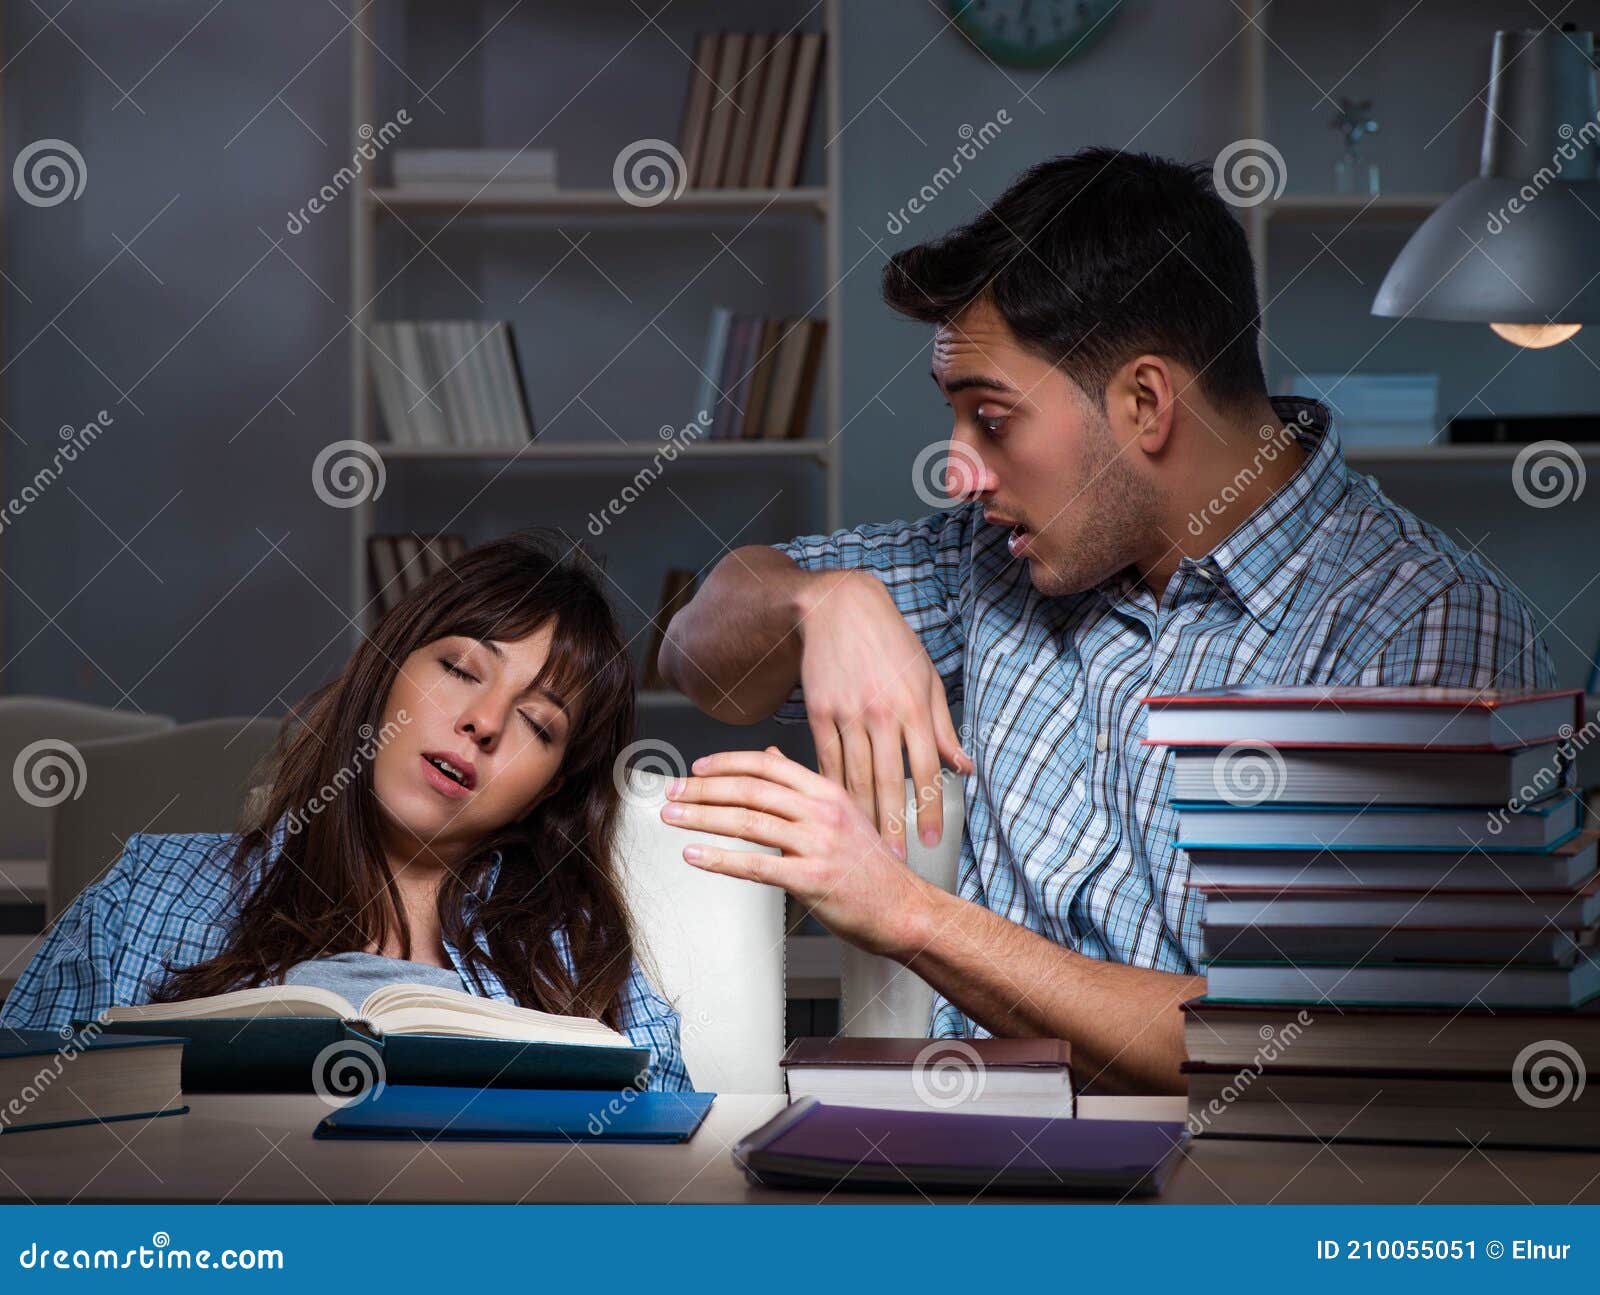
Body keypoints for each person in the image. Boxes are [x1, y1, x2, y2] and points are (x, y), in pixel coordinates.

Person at [655, 147, 1555, 1094]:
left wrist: (909, 912)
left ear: (1144, 402)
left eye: (991, 418)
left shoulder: (1424, 628)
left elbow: (1321, 1053)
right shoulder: (991, 559)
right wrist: (819, 599)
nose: (958, 469)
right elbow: (697, 658)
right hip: (959, 1176)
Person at [2, 531, 691, 1091]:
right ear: (386, 670)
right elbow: (25, 1131)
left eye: (538, 724)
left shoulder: (584, 960)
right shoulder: (145, 894)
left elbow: (670, 1181)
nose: (483, 722)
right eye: (460, 669)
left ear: (549, 790)